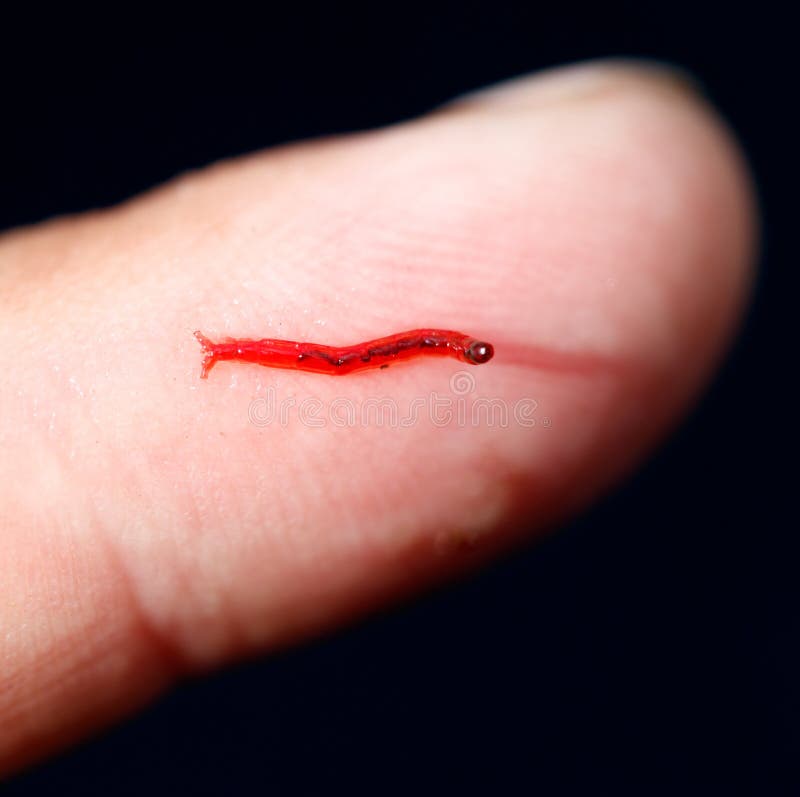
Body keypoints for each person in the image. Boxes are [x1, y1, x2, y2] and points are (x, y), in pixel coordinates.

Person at [0, 60, 756, 776]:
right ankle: (228, 351)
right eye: (472, 352)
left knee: (335, 361)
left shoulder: (443, 346)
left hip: (357, 353)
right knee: (330, 360)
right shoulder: (441, 341)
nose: (470, 353)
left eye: (470, 353)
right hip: (327, 354)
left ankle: (229, 352)